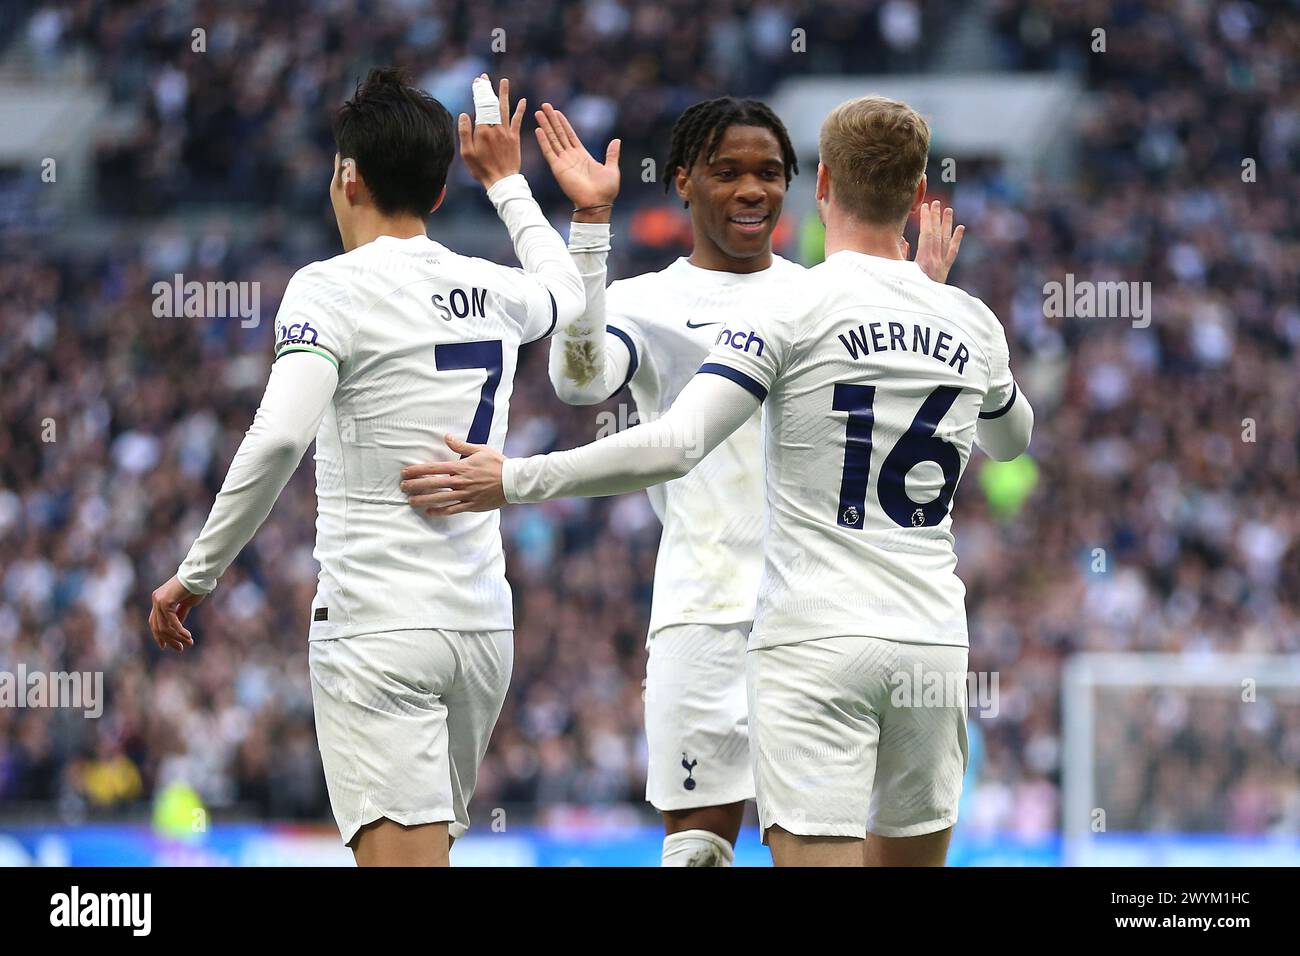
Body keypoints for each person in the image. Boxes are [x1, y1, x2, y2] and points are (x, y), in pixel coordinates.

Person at [400, 94, 1033, 867]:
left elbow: (680, 439)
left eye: (770, 172)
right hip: (716, 609)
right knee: (700, 852)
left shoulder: (802, 301)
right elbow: (578, 380)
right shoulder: (657, 300)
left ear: (811, 184)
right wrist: (591, 226)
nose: (751, 190)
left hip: (807, 622)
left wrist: (522, 479)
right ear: (683, 183)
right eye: (727, 172)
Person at [146, 69, 584, 866]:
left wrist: (197, 573)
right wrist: (512, 181)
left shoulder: (328, 289)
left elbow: (279, 439)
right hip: (483, 629)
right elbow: (568, 291)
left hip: (381, 625)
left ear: (347, 174)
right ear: (443, 193)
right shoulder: (494, 288)